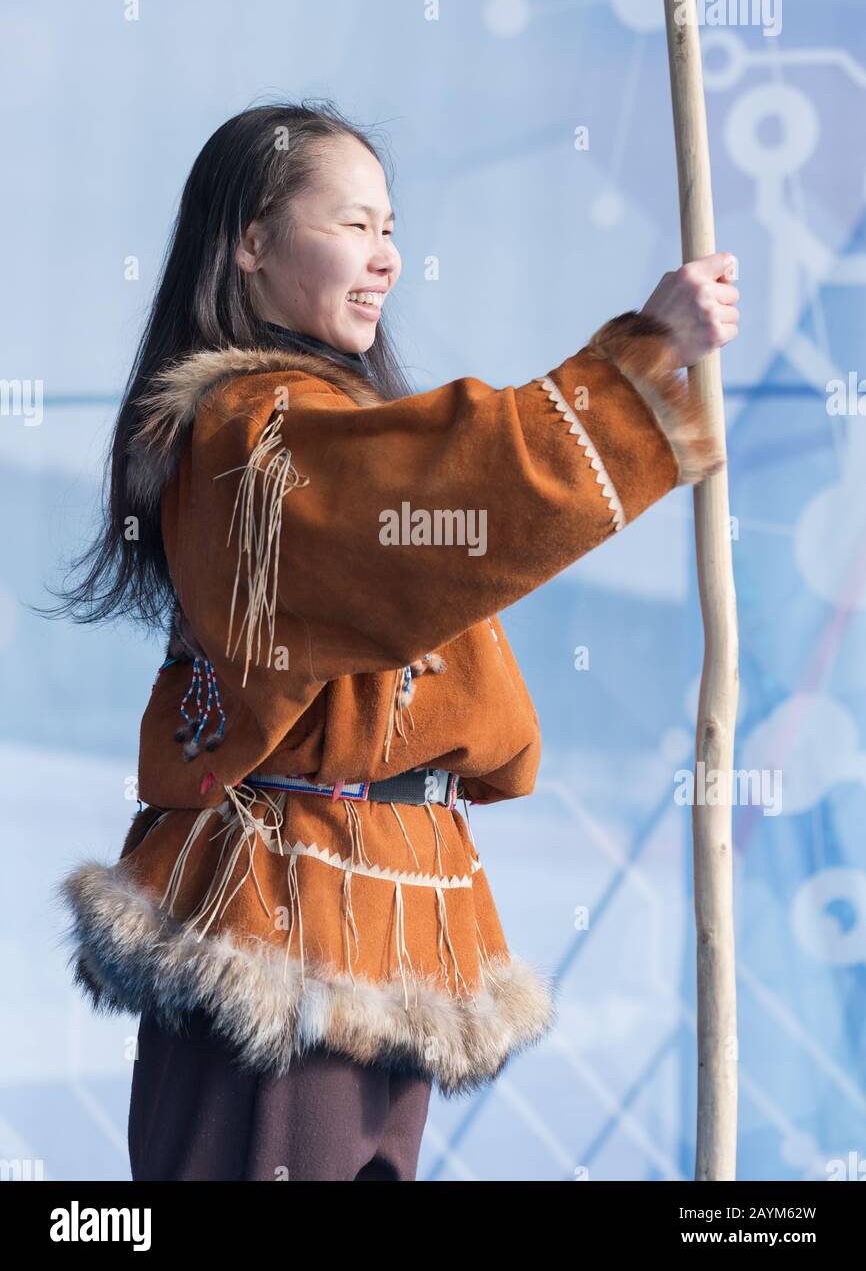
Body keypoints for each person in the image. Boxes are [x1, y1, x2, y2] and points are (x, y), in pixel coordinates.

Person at [48, 99, 739, 1181]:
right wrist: (634, 372)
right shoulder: (252, 435)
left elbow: (434, 523)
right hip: (283, 921)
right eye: (355, 226)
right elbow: (445, 487)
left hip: (386, 911)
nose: (387, 260)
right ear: (252, 244)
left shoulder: (321, 420)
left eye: (391, 228)